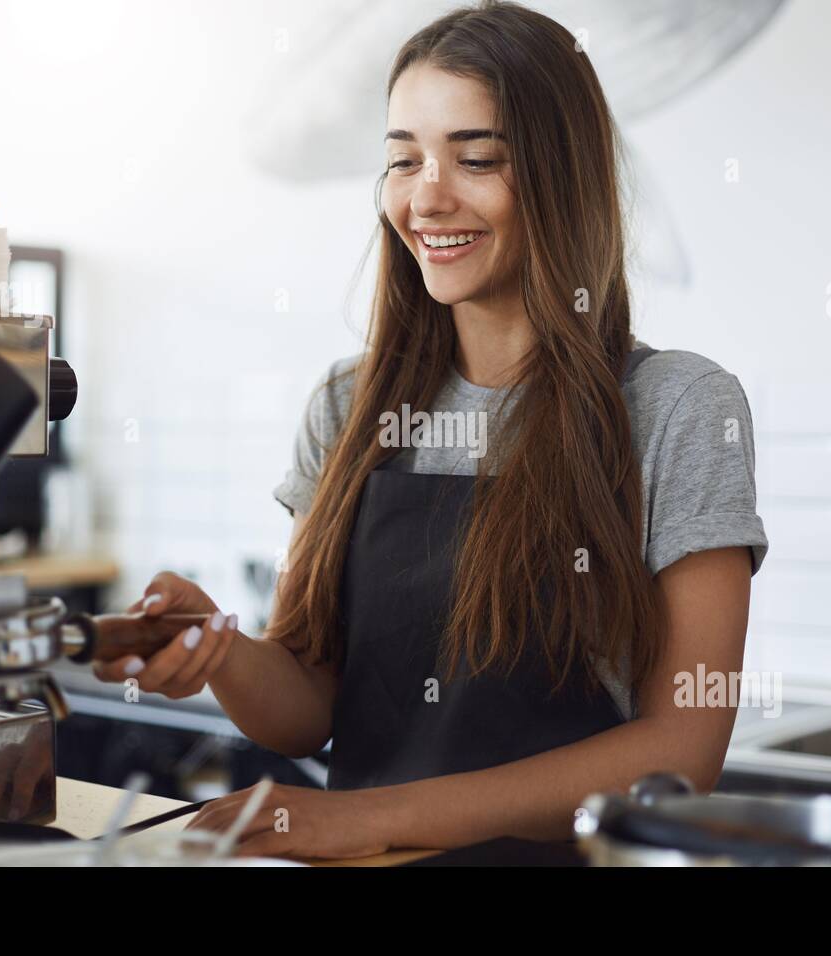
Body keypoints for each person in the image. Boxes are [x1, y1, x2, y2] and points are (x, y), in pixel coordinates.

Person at [93, 0, 767, 860]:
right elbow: (306, 708)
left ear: (567, 176)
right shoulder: (346, 406)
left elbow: (684, 752)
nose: (427, 196)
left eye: (476, 158)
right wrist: (216, 649)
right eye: (402, 160)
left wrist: (373, 817)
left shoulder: (680, 407)